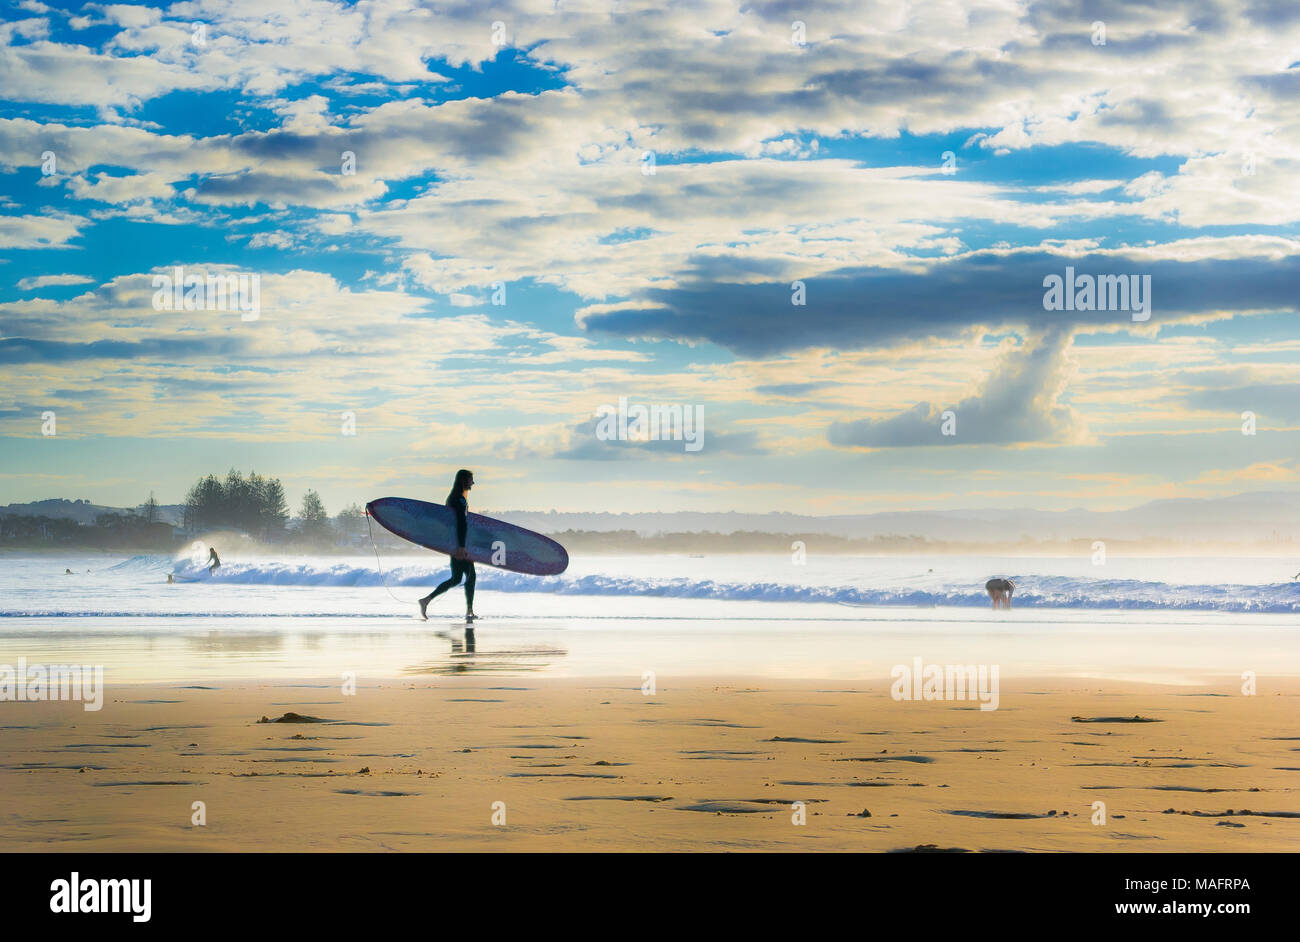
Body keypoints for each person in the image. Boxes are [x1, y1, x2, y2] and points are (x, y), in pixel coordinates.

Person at [419, 469, 477, 622]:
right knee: (470, 576)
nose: (473, 482)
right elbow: (460, 523)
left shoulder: (457, 498)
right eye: (471, 479)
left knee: (457, 578)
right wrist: (461, 546)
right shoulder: (457, 499)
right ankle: (469, 611)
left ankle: (426, 600)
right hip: (459, 545)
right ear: (464, 480)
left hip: (455, 544)